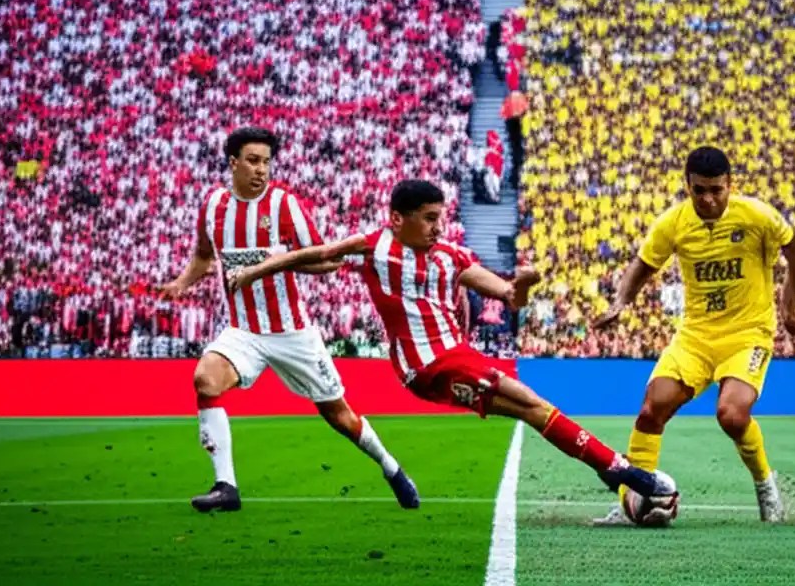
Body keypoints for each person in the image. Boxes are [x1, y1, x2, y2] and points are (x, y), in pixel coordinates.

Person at [226, 179, 670, 502]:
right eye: (430, 219)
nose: (439, 227)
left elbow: (507, 296)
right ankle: (619, 469)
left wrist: (525, 284)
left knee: (532, 410)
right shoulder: (374, 245)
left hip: (454, 357)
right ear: (398, 219)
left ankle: (613, 471)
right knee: (529, 400)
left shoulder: (452, 256)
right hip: (426, 364)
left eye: (443, 218)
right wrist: (252, 271)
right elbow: (315, 254)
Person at [158, 127, 418, 513]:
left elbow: (318, 257)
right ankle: (226, 486)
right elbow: (202, 255)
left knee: (341, 417)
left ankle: (391, 468)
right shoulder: (213, 205)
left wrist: (312, 262)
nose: (262, 169)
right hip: (243, 330)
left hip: (293, 333)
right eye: (253, 160)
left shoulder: (284, 206)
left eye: (266, 161)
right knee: (205, 379)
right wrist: (181, 282)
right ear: (234, 163)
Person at [590, 146, 795, 524]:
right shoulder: (673, 223)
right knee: (650, 410)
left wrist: (790, 306)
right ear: (687, 186)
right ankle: (632, 500)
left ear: (730, 185)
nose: (708, 199)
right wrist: (621, 302)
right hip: (695, 336)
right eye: (699, 191)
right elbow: (643, 266)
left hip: (748, 333)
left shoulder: (757, 215)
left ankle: (765, 485)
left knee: (731, 414)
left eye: (716, 190)